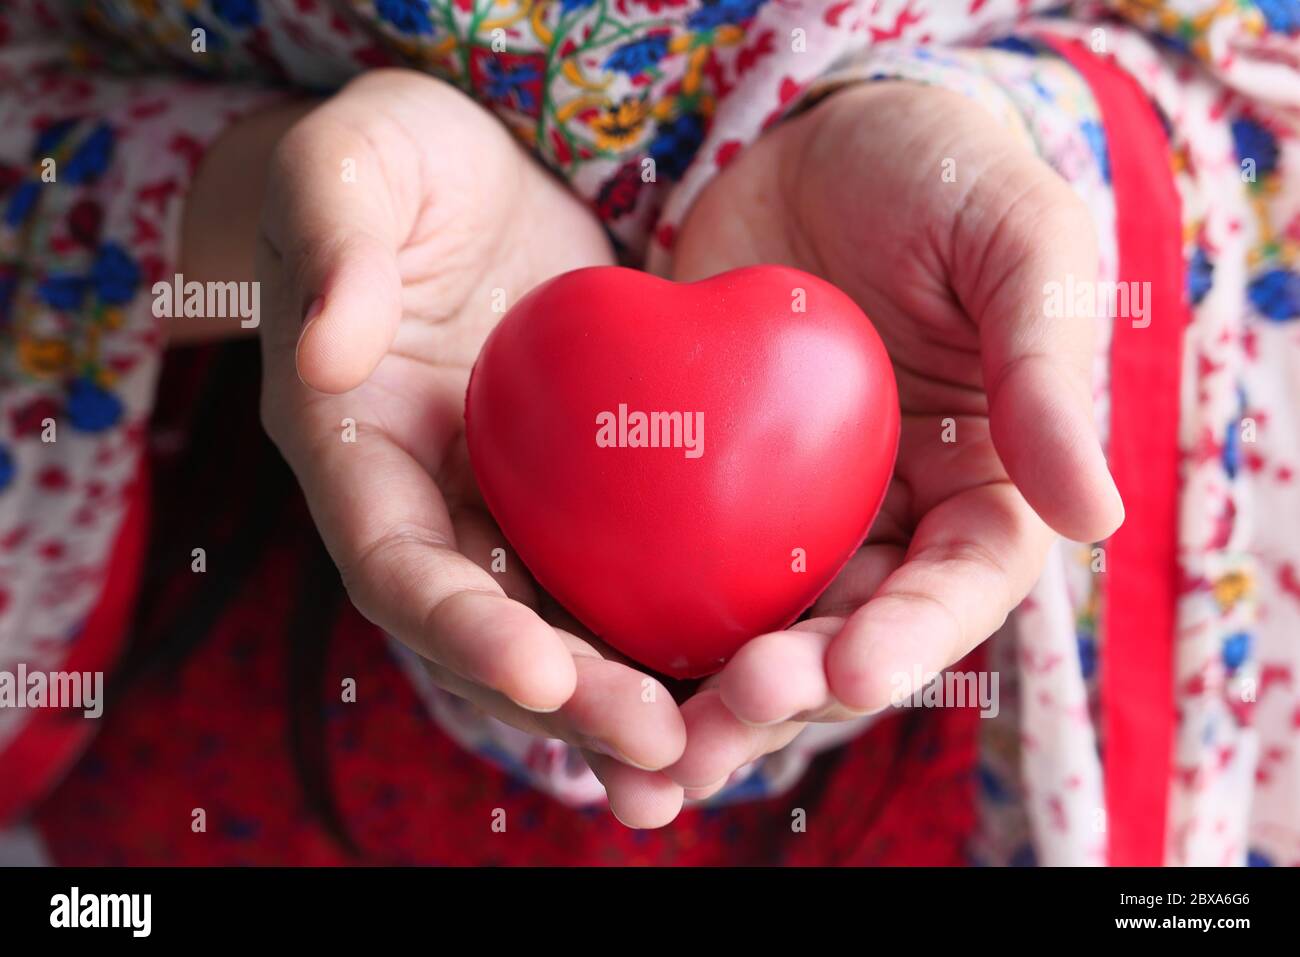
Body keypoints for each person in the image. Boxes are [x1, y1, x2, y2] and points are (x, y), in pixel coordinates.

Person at [0, 0, 1295, 866]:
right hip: (253, 615)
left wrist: (1001, 142)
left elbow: (1249, 59)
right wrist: (276, 205)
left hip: (944, 687)